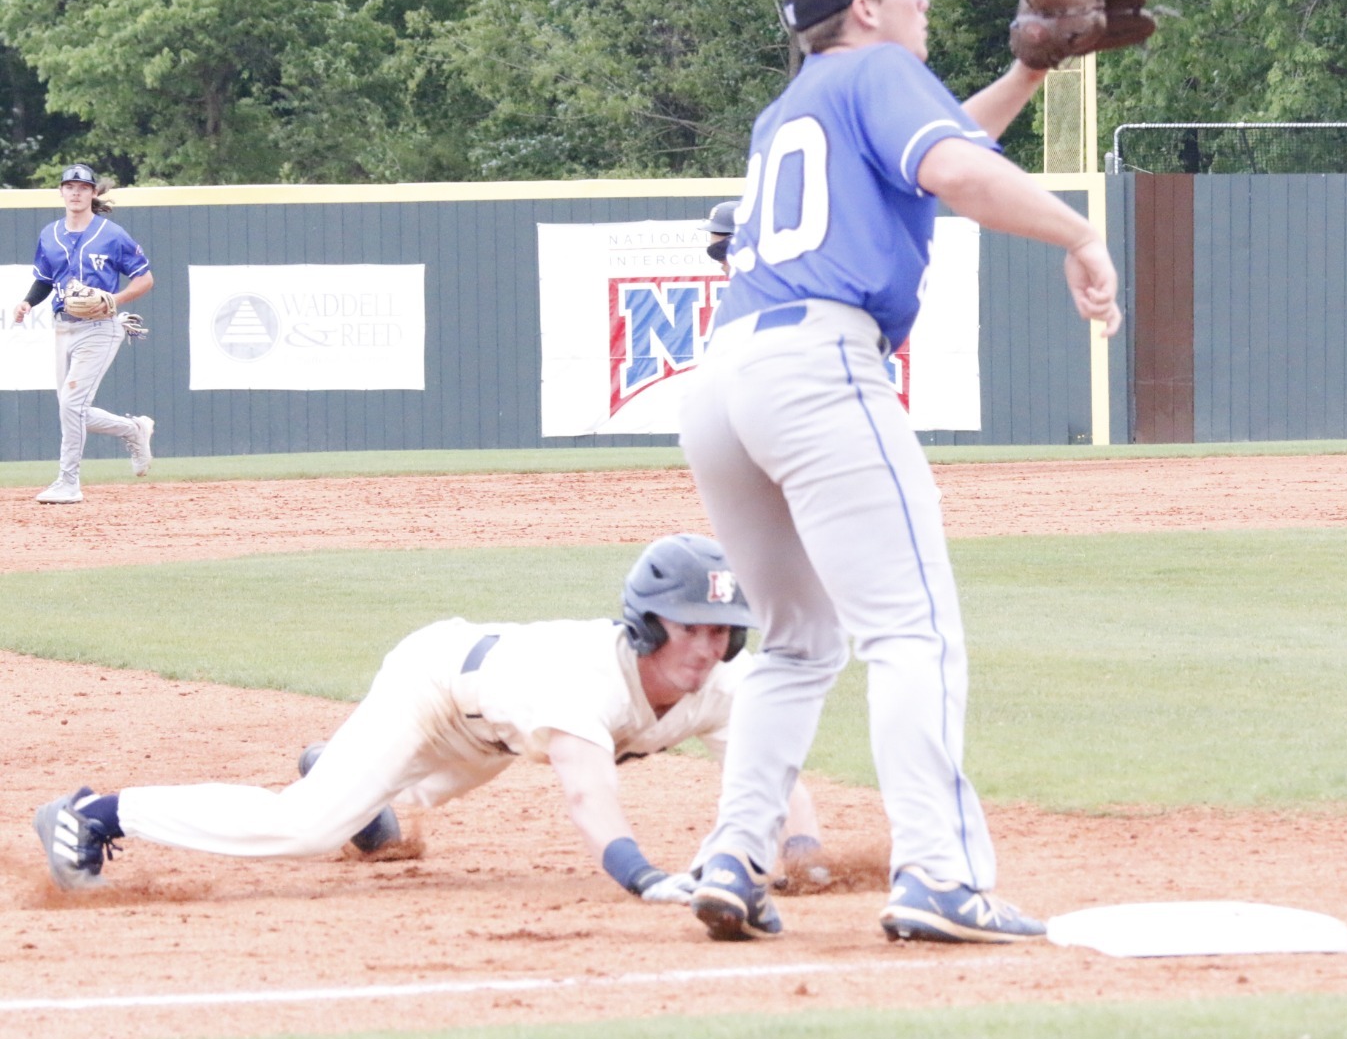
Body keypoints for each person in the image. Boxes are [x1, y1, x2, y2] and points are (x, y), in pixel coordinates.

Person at [679, 0, 1122, 944]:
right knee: (911, 632)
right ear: (865, 12)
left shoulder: (794, 104)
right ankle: (938, 872)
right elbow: (956, 175)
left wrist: (1022, 74)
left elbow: (940, 148)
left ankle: (734, 854)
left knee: (795, 641)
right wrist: (1080, 231)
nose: (923, 2)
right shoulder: (876, 71)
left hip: (728, 377)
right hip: (819, 371)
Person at [31, 534, 820, 901]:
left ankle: (367, 802)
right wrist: (644, 878)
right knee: (304, 827)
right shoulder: (585, 681)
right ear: (649, 623)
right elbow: (587, 796)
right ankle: (94, 813)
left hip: (497, 729)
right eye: (692, 625)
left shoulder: (720, 679)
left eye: (722, 629)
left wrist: (807, 854)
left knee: (392, 824)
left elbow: (770, 764)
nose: (708, 646)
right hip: (438, 686)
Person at [9, 163, 155, 503]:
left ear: (93, 193)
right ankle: (133, 429)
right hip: (63, 327)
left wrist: (113, 300)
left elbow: (145, 278)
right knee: (71, 409)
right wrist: (28, 303)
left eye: (82, 187)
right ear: (61, 192)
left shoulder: (112, 234)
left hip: (101, 328)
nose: (75, 192)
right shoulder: (50, 234)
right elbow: (45, 280)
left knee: (72, 405)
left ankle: (68, 482)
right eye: (69, 186)